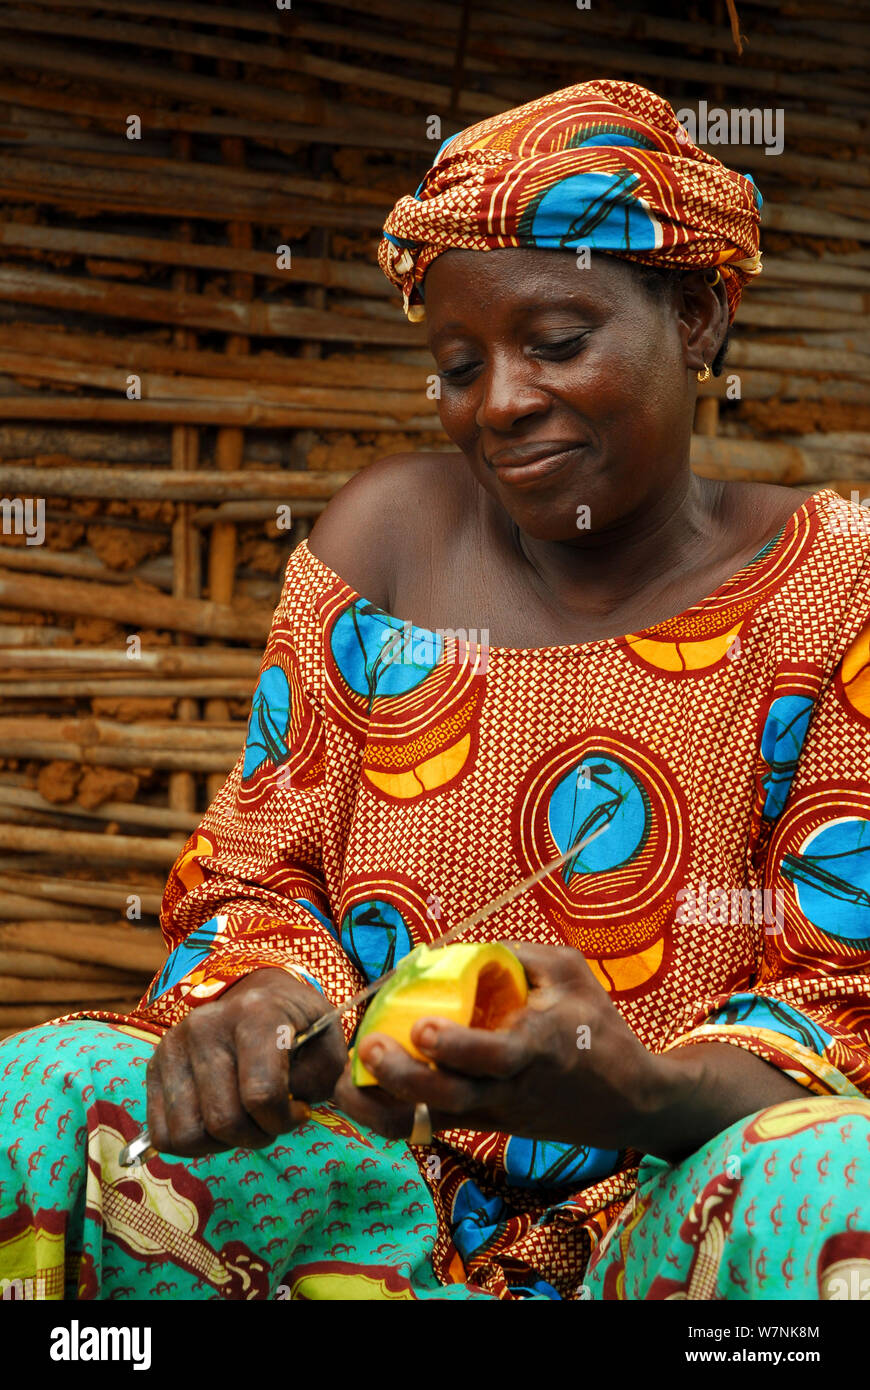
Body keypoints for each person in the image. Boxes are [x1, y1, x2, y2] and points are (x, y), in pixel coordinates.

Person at [2, 78, 869, 1302]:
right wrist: (272, 1000)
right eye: (461, 364)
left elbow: (842, 998)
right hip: (357, 1204)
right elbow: (260, 874)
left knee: (841, 1185)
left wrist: (636, 1088)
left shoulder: (838, 586)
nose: (502, 402)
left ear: (696, 313)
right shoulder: (389, 543)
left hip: (669, 1214)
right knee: (36, 1102)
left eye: (558, 342)